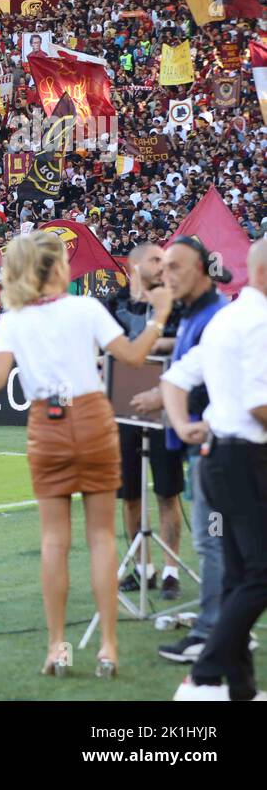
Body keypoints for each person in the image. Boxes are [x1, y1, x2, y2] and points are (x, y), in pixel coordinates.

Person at [0, 230, 173, 679]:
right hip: (93, 417)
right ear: (57, 268)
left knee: (55, 541)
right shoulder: (87, 308)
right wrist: (160, 317)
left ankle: (57, 647)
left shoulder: (15, 318)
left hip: (47, 424)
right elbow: (133, 357)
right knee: (100, 538)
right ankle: (108, 648)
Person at [162, 237, 267, 701]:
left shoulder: (227, 318)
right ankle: (203, 678)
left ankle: (240, 689)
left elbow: (174, 378)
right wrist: (187, 425)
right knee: (258, 575)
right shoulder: (258, 321)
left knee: (240, 576)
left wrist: (186, 425)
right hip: (245, 459)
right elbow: (260, 403)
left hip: (218, 460)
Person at [128, 237, 232, 660]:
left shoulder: (218, 317)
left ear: (203, 270)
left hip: (223, 451)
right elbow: (183, 369)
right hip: (204, 447)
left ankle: (216, 632)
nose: (165, 274)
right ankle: (224, 627)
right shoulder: (195, 314)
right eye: (163, 267)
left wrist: (190, 416)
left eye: (175, 267)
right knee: (217, 539)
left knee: (216, 538)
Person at [103, 243, 185, 599]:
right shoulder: (113, 305)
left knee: (168, 491)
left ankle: (170, 570)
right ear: (135, 266)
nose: (162, 265)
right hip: (123, 408)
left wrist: (145, 347)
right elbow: (104, 351)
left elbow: (183, 345)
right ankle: (142, 567)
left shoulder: (176, 303)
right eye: (155, 259)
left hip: (165, 407)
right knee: (130, 495)